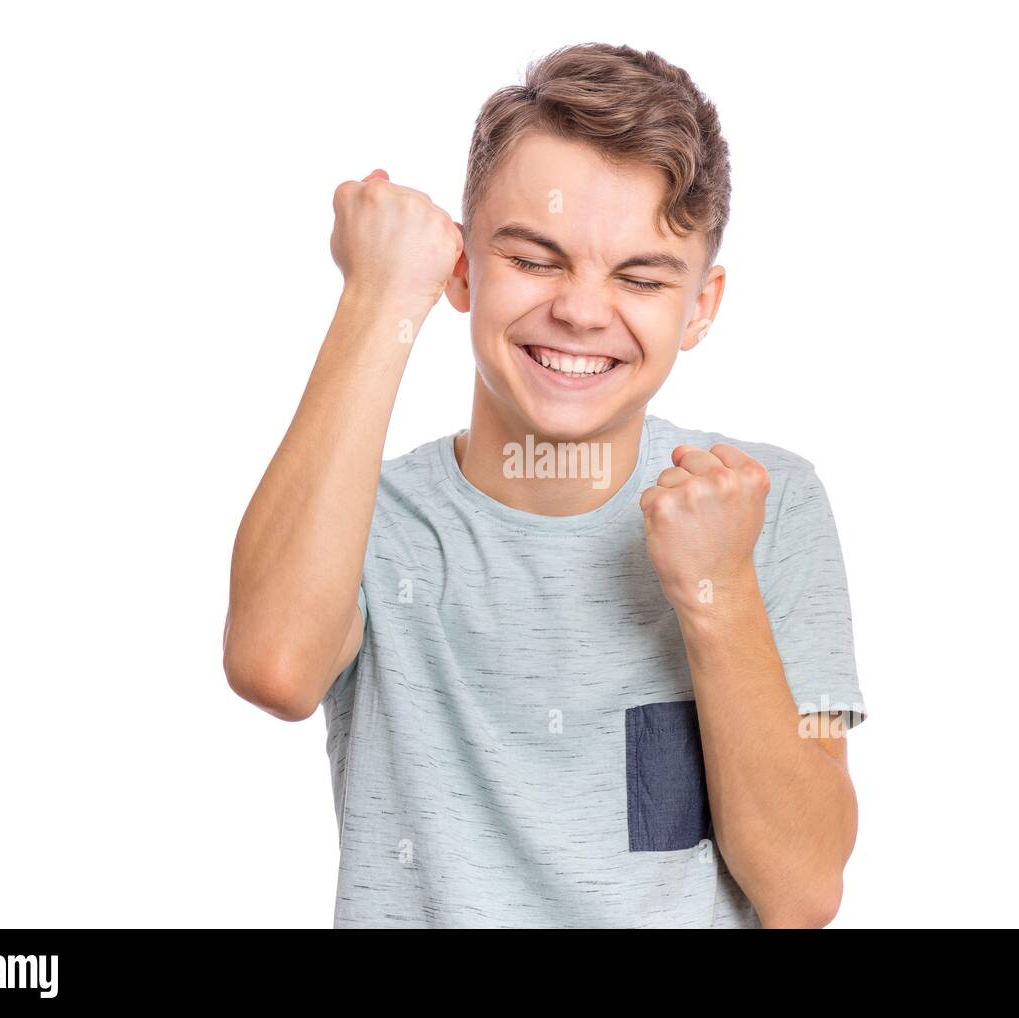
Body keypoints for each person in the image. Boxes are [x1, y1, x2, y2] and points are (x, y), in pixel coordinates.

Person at [223, 42, 868, 929]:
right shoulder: (366, 518)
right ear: (462, 267)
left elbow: (803, 891)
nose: (581, 309)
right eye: (534, 259)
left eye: (640, 277)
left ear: (702, 308)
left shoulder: (768, 502)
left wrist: (717, 593)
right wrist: (378, 296)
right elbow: (273, 668)